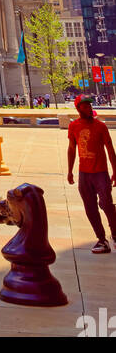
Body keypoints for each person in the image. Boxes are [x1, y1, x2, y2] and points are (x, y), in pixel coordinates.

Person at [68, 95, 116, 253]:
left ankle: (115, 235)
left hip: (100, 173)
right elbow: (72, 149)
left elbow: (110, 149)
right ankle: (102, 240)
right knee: (90, 208)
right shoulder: (73, 126)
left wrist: (115, 171)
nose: (89, 108)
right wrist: (70, 171)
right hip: (84, 174)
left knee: (107, 205)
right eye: (85, 105)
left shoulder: (100, 126)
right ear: (78, 108)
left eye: (90, 105)